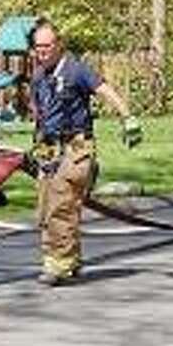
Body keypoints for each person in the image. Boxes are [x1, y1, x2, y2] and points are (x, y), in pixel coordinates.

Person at [29, 20, 142, 286]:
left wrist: (127, 117)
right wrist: (36, 145)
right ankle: (71, 258)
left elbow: (104, 90)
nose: (42, 52)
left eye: (47, 46)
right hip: (49, 148)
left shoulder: (76, 70)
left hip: (76, 146)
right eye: (38, 47)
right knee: (47, 206)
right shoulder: (37, 76)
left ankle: (58, 263)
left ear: (59, 46)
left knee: (61, 202)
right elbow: (39, 114)